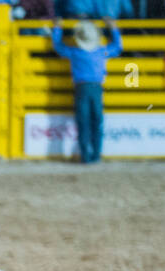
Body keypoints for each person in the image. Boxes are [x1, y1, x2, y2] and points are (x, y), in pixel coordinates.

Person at [52, 17, 122, 163]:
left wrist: (57, 28)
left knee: (83, 121)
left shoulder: (75, 52)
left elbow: (58, 47)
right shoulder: (101, 52)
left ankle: (86, 155)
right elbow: (117, 47)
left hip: (81, 88)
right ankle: (96, 154)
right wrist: (114, 28)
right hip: (96, 88)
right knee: (97, 120)